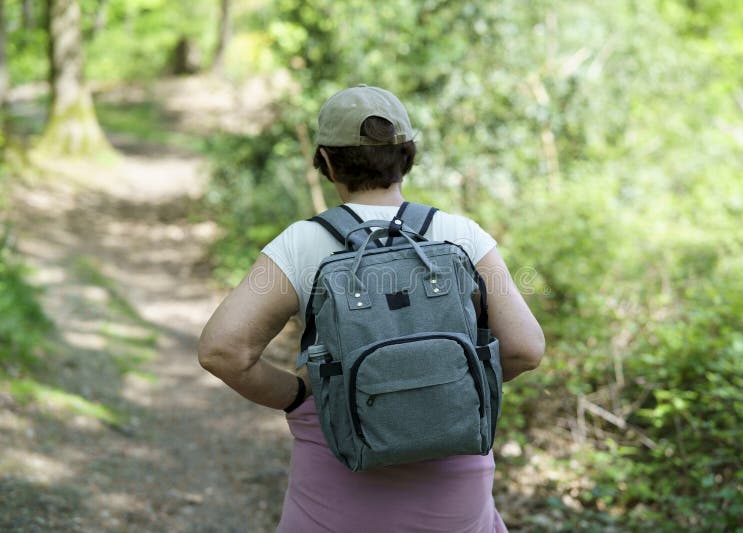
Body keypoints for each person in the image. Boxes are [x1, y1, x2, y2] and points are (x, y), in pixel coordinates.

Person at [198, 85, 545, 532]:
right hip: (454, 489)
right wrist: (454, 379)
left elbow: (221, 351)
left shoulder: (302, 244)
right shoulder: (461, 236)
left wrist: (303, 395)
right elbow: (525, 349)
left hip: (337, 477)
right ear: (408, 153)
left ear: (324, 160)